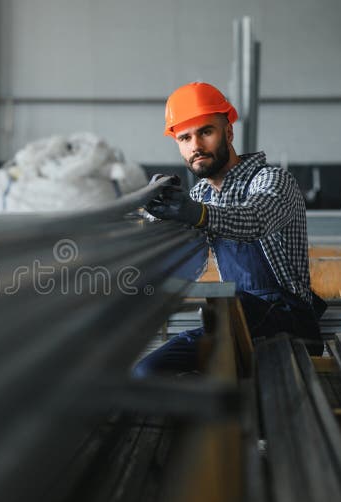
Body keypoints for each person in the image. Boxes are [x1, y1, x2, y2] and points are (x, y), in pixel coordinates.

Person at [134, 81, 325, 378]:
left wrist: (195, 213)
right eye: (185, 138)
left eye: (205, 132)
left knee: (156, 371)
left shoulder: (272, 180)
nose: (196, 146)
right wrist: (155, 211)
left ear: (229, 132)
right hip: (239, 317)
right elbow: (177, 245)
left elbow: (255, 218)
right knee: (148, 371)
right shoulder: (202, 195)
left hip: (289, 321)